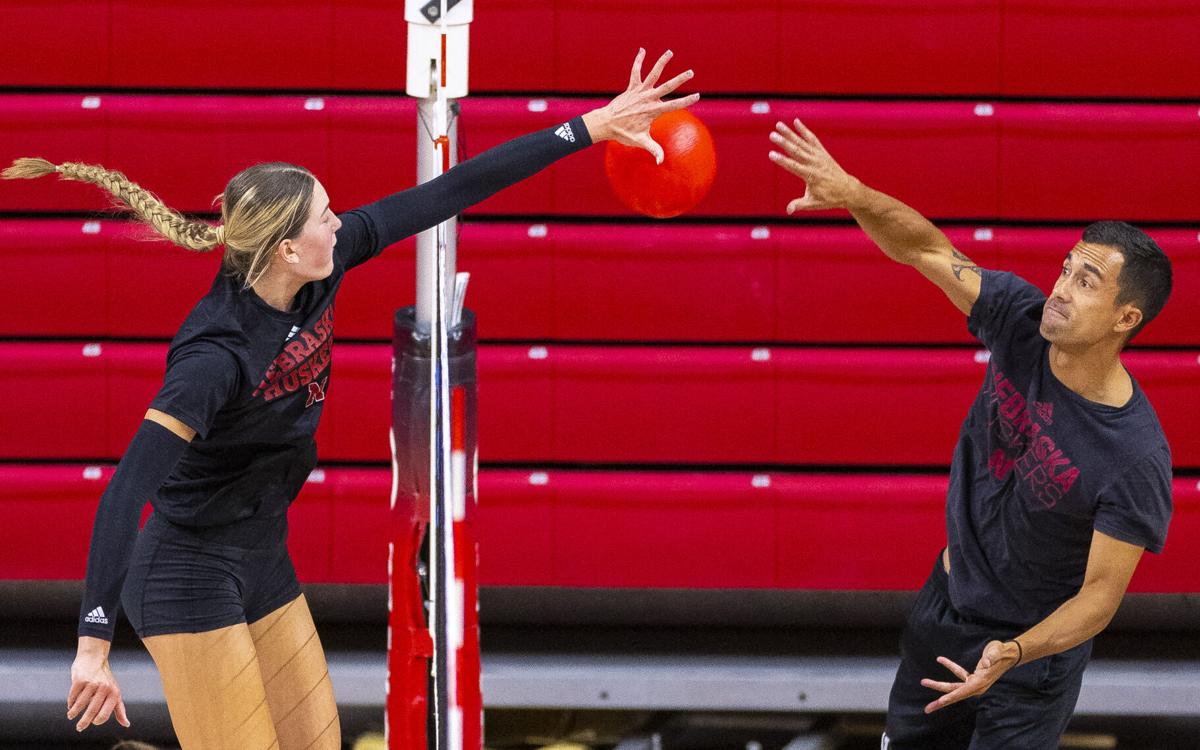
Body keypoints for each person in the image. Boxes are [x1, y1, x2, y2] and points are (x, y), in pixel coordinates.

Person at [2, 49, 698, 748]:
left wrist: (590, 127)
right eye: (325, 218)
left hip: (260, 555)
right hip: (185, 573)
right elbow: (126, 491)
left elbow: (449, 191)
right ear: (284, 249)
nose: (341, 224)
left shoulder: (316, 273)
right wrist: (93, 645)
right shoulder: (215, 357)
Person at [768, 119, 1173, 749]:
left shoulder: (1134, 454)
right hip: (945, 610)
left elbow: (1099, 598)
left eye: (1085, 283)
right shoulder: (1019, 319)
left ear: (1127, 318)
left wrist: (1013, 652)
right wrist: (852, 193)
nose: (1061, 289)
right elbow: (925, 249)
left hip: (1026, 660)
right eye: (1066, 269)